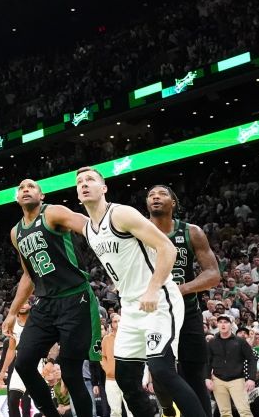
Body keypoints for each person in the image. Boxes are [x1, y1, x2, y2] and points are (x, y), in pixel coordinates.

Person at [76, 168, 206, 417]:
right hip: (131, 308)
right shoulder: (89, 228)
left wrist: (153, 288)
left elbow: (168, 248)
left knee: (162, 370)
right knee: (125, 379)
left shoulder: (121, 213)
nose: (84, 184)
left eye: (90, 180)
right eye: (80, 182)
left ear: (103, 188)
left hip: (158, 299)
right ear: (78, 195)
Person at [1, 179, 99, 417]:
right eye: (21, 187)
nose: (25, 189)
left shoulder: (52, 212)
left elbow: (90, 226)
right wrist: (12, 312)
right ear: (16, 198)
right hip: (45, 303)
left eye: (31, 186)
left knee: (71, 371)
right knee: (23, 364)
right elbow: (28, 275)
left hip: (76, 298)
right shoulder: (16, 233)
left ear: (41, 195)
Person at [145, 184, 219, 416]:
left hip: (187, 312)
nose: (155, 197)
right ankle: (166, 409)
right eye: (150, 195)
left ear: (173, 203)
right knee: (160, 373)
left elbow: (213, 274)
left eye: (162, 193)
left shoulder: (191, 231)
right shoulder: (137, 232)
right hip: (153, 314)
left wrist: (181, 289)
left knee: (195, 376)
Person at [206, 316, 257, 417]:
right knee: (224, 413)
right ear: (217, 325)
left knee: (244, 411)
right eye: (220, 322)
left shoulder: (240, 341)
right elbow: (207, 362)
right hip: (218, 380)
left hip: (237, 379)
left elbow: (251, 359)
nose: (223, 324)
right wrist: (207, 378)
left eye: (226, 322)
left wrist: (251, 378)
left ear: (231, 324)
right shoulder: (212, 342)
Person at [0, 305, 32, 417]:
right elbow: (10, 351)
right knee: (12, 401)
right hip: (16, 369)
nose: (22, 305)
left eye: (25, 302)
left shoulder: (37, 321)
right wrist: (2, 372)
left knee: (30, 402)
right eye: (20, 303)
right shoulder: (13, 325)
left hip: (34, 365)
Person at [99, 312, 136, 417]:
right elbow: (102, 356)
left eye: (119, 321)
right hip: (111, 380)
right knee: (115, 411)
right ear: (112, 324)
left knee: (131, 410)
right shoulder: (106, 339)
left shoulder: (129, 338)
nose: (118, 323)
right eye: (115, 321)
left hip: (127, 379)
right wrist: (108, 369)